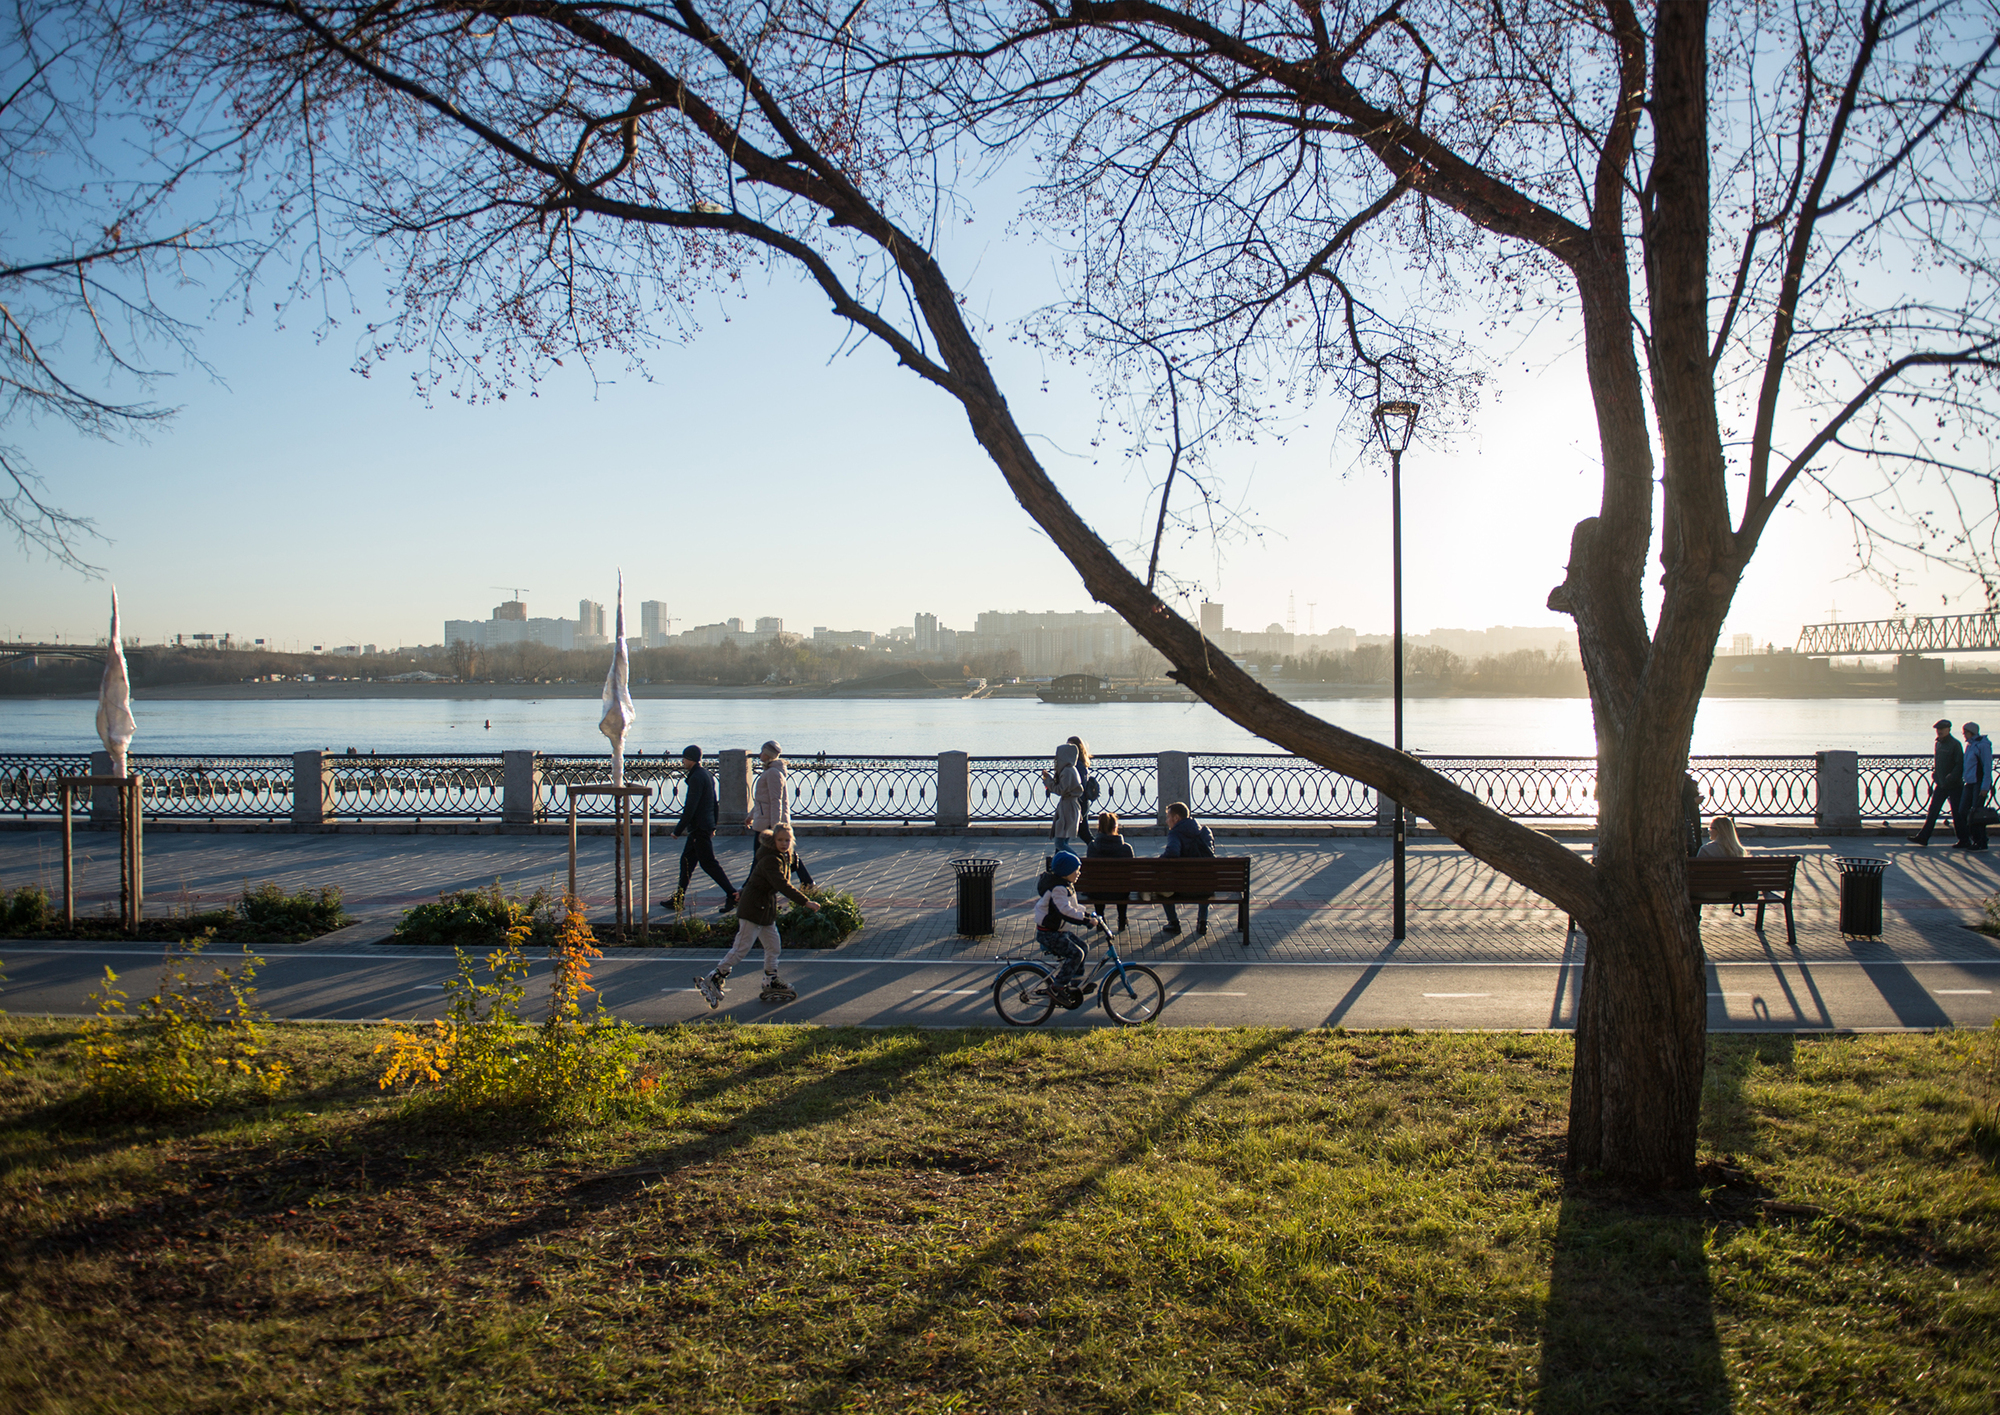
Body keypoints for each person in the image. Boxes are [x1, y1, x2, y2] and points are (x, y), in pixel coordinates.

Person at [694, 823, 820, 1007]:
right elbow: (781, 885)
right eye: (780, 840)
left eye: (787, 840)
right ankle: (713, 978)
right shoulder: (771, 859)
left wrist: (742, 890)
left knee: (773, 946)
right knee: (740, 949)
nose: (784, 843)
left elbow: (757, 877)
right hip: (753, 909)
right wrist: (805, 901)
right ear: (773, 840)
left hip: (765, 909)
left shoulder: (786, 856)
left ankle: (771, 980)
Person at [667, 745, 737, 913]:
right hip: (703, 827)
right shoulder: (706, 774)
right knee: (686, 862)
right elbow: (714, 803)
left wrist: (678, 830)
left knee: (709, 864)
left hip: (699, 828)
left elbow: (690, 807)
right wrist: (714, 824)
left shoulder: (697, 778)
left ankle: (732, 895)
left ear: (690, 759)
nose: (682, 761)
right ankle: (678, 898)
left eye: (684, 758)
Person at [749, 740, 816, 888]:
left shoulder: (773, 773)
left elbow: (775, 801)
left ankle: (747, 887)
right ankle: (807, 881)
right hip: (763, 820)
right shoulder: (770, 771)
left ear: (768, 754)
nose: (760, 754)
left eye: (762, 751)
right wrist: (750, 816)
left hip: (767, 823)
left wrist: (775, 828)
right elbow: (762, 800)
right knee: (783, 854)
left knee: (762, 856)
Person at [1032, 849, 1101, 989]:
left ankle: (1076, 979)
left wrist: (1088, 915)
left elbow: (1074, 907)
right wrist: (1085, 921)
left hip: (1058, 930)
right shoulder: (1058, 889)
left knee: (1083, 947)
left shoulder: (1066, 886)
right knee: (1076, 953)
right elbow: (1065, 911)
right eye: (1076, 870)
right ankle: (1058, 985)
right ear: (1066, 872)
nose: (1079, 873)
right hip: (1048, 933)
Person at [1159, 800, 1216, 935]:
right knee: (1204, 876)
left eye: (1168, 817)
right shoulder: (1205, 832)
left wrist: (1161, 860)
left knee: (1162, 886)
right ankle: (1202, 921)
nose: (1167, 821)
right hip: (1206, 889)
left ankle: (1173, 923)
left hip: (1182, 888)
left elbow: (1173, 852)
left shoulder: (1176, 833)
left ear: (1176, 818)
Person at [1907, 718, 1964, 846]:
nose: (1939, 732)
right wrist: (1935, 775)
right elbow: (1938, 762)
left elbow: (1959, 764)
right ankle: (1923, 837)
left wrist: (1952, 777)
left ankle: (1964, 839)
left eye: (1942, 729)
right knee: (1933, 810)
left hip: (1954, 785)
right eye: (1938, 729)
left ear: (1948, 729)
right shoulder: (1938, 743)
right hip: (1941, 783)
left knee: (1957, 813)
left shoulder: (1955, 744)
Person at [1084, 809, 1136, 930]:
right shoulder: (1126, 848)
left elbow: (1091, 875)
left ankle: (1100, 918)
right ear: (1115, 827)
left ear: (1099, 827)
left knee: (1098, 883)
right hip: (1121, 892)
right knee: (1122, 885)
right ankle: (1122, 918)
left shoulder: (1092, 847)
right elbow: (1130, 874)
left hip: (1097, 892)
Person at [1041, 742, 1084, 853]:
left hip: (1068, 809)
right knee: (1063, 841)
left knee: (1060, 843)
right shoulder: (1071, 769)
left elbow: (1060, 790)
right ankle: (1061, 866)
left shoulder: (1067, 771)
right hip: (1069, 808)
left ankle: (1075, 862)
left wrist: (1048, 780)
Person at [1956, 721, 1992, 851]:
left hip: (1979, 782)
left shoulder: (1982, 746)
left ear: (1971, 732)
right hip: (1969, 782)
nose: (1963, 735)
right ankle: (1976, 839)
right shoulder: (1970, 745)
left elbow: (1987, 767)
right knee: (1963, 811)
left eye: (1965, 732)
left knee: (1976, 813)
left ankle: (1980, 841)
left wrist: (1985, 787)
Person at [1069, 737, 1099, 845]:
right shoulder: (1082, 763)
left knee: (1065, 835)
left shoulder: (1077, 766)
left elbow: (1077, 785)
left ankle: (1097, 850)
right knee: (1083, 832)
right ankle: (1097, 850)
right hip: (1083, 802)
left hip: (1079, 802)